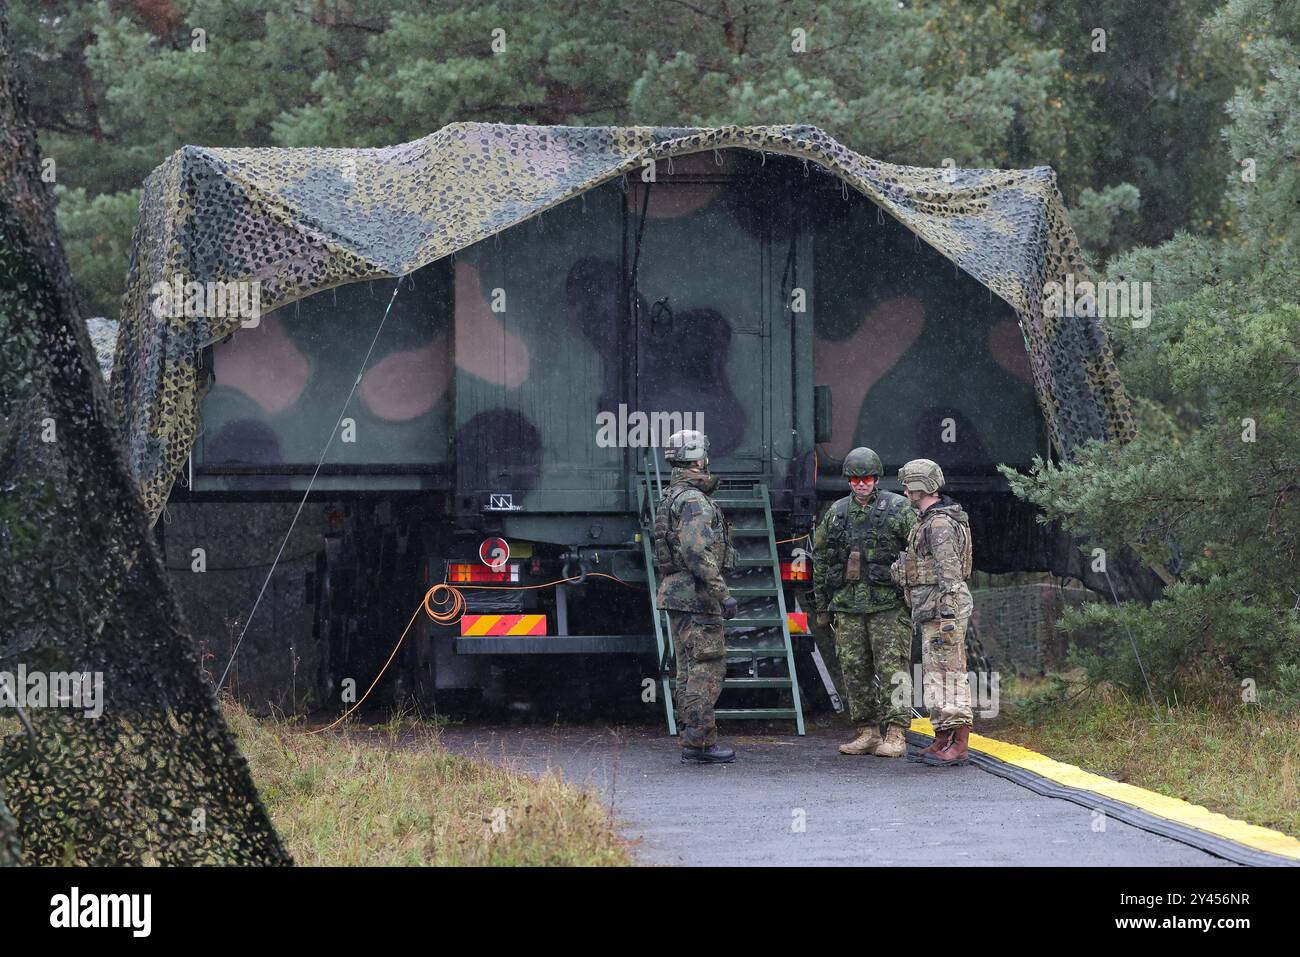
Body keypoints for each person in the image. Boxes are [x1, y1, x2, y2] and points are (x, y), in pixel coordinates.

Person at [812, 447, 917, 757]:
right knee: (854, 670)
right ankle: (867, 731)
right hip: (848, 606)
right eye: (855, 478)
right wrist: (822, 604)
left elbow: (919, 549)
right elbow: (821, 559)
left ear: (877, 478)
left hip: (888, 605)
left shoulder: (897, 509)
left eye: (867, 477)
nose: (861, 484)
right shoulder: (837, 512)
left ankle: (896, 733)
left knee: (892, 669)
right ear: (848, 480)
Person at [653, 429, 738, 764]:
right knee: (706, 668)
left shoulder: (671, 496)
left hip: (677, 594)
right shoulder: (693, 501)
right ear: (699, 459)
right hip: (697, 596)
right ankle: (700, 742)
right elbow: (696, 550)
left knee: (688, 668)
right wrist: (723, 593)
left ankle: (692, 736)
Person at [891, 458, 974, 767]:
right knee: (935, 676)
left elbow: (949, 573)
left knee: (949, 676)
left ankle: (959, 744)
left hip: (943, 610)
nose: (903, 490)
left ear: (919, 487)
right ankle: (942, 738)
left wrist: (949, 615)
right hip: (932, 609)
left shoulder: (938, 524)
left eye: (907, 484)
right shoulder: (928, 520)